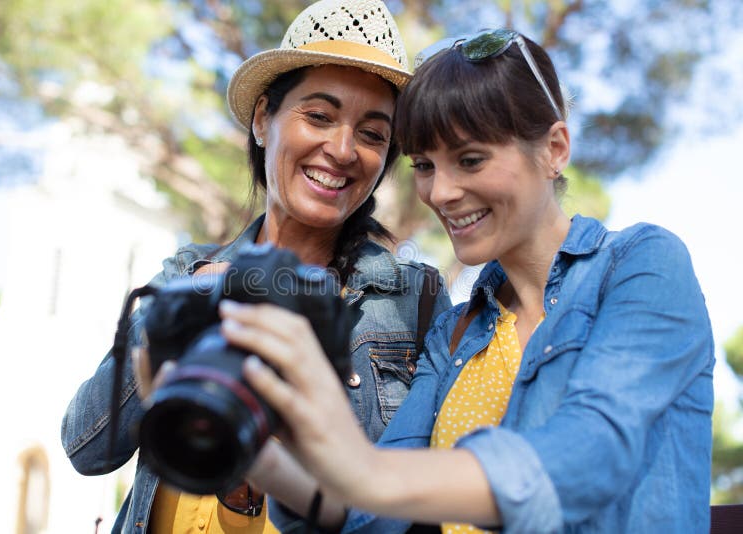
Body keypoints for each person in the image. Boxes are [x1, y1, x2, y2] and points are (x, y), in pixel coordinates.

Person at [219, 28, 716, 533]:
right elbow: (374, 513)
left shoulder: (642, 266)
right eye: (425, 165)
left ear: (555, 148)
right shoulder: (455, 332)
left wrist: (364, 471)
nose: (442, 192)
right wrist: (257, 450)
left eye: (471, 159)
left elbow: (591, 454)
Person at [60, 1, 451, 532]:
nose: (342, 149)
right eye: (319, 116)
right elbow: (86, 448)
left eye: (372, 134)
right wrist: (171, 321)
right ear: (263, 119)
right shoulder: (190, 273)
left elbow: (411, 502)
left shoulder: (415, 300)